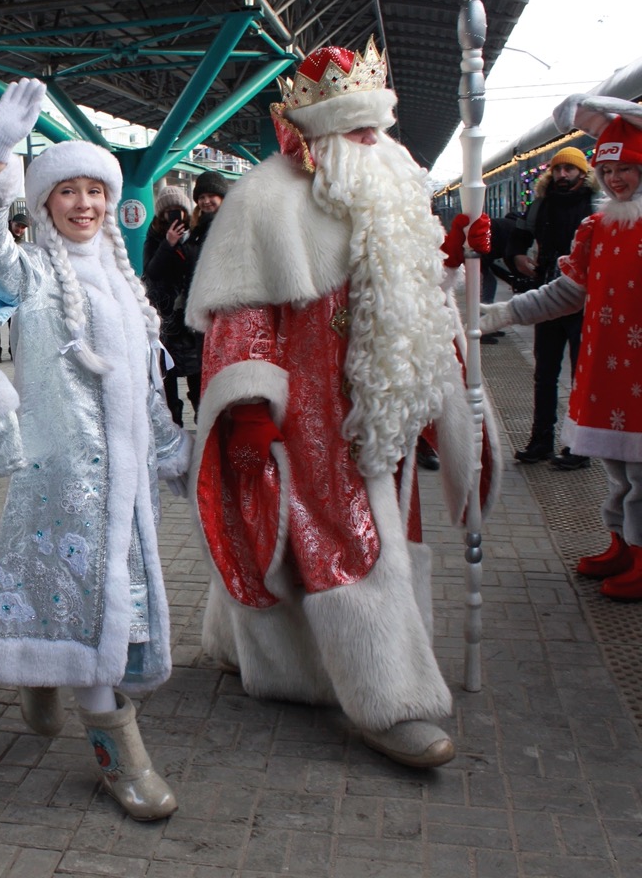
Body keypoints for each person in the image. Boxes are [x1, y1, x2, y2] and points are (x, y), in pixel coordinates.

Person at [184, 40, 499, 768]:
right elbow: (239, 315)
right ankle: (391, 699)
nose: (375, 143)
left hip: (383, 407)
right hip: (311, 413)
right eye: (359, 132)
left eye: (377, 129)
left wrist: (451, 259)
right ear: (322, 132)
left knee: (336, 536)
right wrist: (250, 407)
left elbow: (406, 294)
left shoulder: (390, 188)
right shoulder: (262, 200)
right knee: (345, 543)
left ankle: (252, 650)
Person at [0, 79, 191, 820]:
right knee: (87, 607)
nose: (83, 204)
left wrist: (172, 445)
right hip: (62, 478)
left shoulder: (120, 280)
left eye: (95, 191)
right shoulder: (36, 272)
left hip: (126, 482)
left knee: (88, 596)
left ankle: (38, 667)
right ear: (45, 203)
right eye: (67, 192)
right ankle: (121, 757)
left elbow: (146, 383)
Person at [482, 96, 642, 601]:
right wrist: (502, 312)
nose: (616, 179)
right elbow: (567, 293)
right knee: (618, 470)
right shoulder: (596, 229)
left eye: (628, 169)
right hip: (607, 368)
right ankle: (623, 545)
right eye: (609, 169)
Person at [506, 146, 598, 468]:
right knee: (545, 373)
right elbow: (517, 238)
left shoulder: (595, 205)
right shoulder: (540, 205)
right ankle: (541, 441)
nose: (562, 175)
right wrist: (517, 256)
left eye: (569, 170)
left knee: (581, 376)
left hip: (585, 301)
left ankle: (578, 447)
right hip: (548, 295)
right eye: (558, 170)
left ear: (582, 174)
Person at [142, 185, 201, 426]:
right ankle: (175, 429)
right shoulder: (155, 237)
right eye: (169, 212)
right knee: (168, 378)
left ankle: (203, 425)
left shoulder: (195, 235)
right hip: (166, 319)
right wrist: (168, 244)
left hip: (190, 317)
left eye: (179, 211)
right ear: (161, 215)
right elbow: (151, 273)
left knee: (197, 377)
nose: (175, 216)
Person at [0, 212, 27, 362]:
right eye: (18, 226)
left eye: (23, 228)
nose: (20, 229)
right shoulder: (1, 239)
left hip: (13, 287)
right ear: (11, 223)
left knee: (13, 320)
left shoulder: (20, 243)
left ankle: (13, 349)